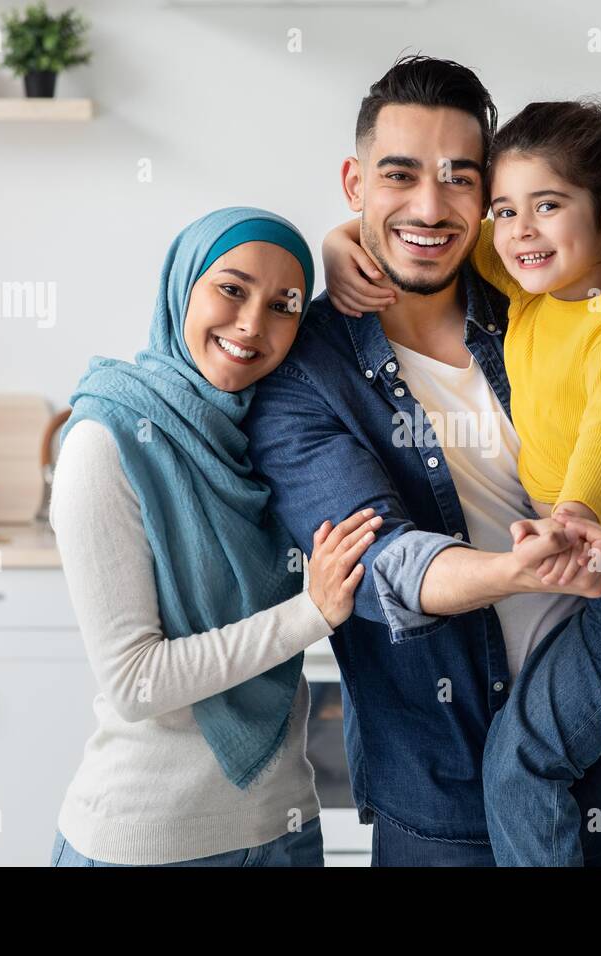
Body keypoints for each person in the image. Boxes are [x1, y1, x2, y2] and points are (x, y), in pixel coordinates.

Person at [246, 57, 601, 866]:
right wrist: (520, 570)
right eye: (398, 176)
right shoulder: (307, 369)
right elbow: (378, 565)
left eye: (459, 179)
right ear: (355, 182)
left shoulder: (535, 289)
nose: (428, 205)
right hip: (444, 812)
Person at [48, 207, 377, 867]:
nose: (253, 323)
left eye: (284, 304)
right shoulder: (104, 441)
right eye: (231, 289)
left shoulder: (269, 430)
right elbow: (135, 682)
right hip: (149, 842)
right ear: (183, 284)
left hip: (283, 830)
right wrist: (309, 615)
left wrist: (342, 242)